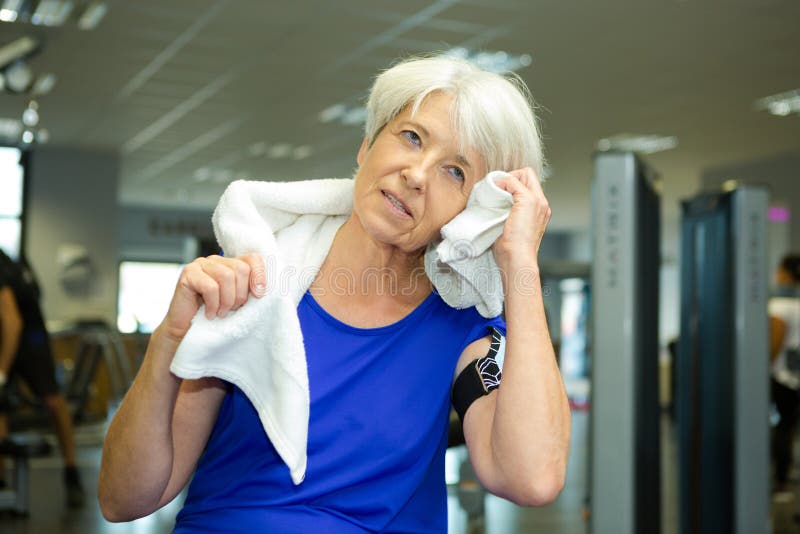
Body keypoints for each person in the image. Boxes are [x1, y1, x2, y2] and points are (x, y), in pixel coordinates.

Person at [98, 55, 571, 532]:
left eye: (455, 172)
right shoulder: (255, 288)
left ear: (476, 213)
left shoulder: (463, 325)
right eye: (411, 137)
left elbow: (530, 478)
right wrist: (171, 338)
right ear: (367, 145)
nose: (417, 174)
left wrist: (520, 263)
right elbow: (126, 499)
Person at [0, 249, 85, 508]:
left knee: (52, 400)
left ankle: (71, 471)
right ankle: (1, 478)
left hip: (28, 337)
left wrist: (2, 373)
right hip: (7, 331)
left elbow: (12, 322)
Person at [770, 253, 800, 496]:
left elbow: (775, 342)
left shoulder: (780, 306)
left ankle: (781, 481)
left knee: (783, 428)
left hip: (783, 377)